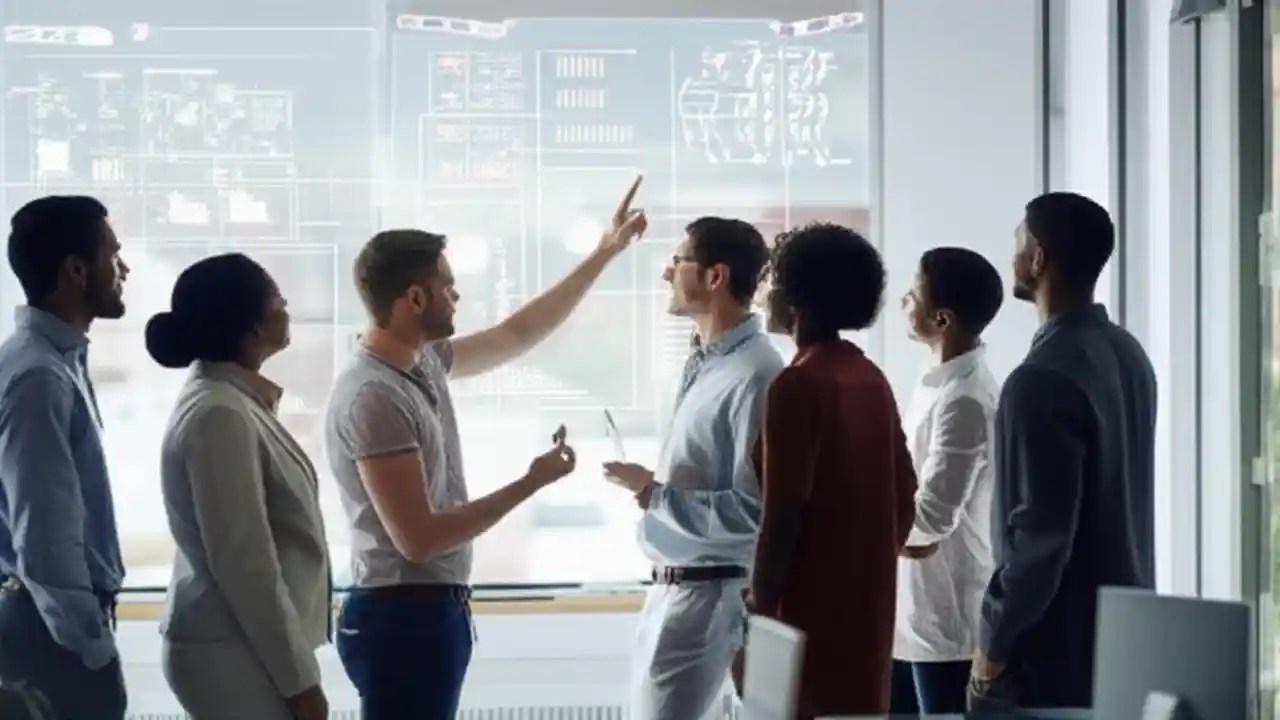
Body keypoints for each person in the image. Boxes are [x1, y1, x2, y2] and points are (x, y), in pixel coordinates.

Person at [325, 177, 647, 718]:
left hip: (427, 613)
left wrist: (604, 253)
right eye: (448, 287)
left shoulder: (421, 361)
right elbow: (419, 540)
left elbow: (516, 335)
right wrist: (531, 483)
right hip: (403, 618)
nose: (457, 296)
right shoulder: (372, 397)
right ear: (414, 299)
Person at [970, 192, 1156, 713]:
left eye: (1017, 244)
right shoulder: (1128, 354)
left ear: (1037, 259)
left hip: (1051, 654)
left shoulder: (1040, 378)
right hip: (1121, 640)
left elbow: (1039, 538)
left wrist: (992, 644)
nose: (1012, 257)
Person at [603, 216, 784, 720]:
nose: (666, 273)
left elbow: (756, 515)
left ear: (715, 277)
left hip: (712, 598)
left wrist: (653, 495)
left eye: (677, 261)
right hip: (675, 591)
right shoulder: (704, 365)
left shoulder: (756, 376)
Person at [147, 254, 331, 720]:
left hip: (240, 645)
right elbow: (245, 563)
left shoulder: (229, 401)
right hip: (230, 651)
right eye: (278, 300)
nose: (286, 309)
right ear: (250, 327)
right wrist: (301, 683)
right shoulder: (219, 413)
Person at [743, 222, 915, 718]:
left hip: (803, 626)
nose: (766, 290)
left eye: (773, 277)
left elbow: (782, 517)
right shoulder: (870, 378)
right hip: (867, 621)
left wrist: (756, 613)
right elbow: (905, 501)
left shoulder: (797, 385)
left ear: (799, 292)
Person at [0, 196, 130, 720]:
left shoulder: (51, 360)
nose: (124, 269)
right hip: (51, 639)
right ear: (76, 271)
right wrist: (92, 649)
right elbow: (46, 535)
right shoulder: (38, 377)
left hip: (46, 628)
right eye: (113, 255)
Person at [890, 247, 1003, 715]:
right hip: (913, 610)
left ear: (941, 319)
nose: (903, 301)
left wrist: (876, 530)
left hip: (947, 620)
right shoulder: (937, 380)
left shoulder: (965, 400)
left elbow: (930, 518)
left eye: (913, 293)